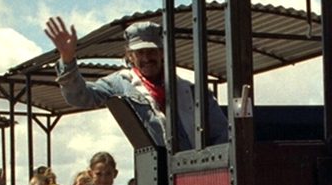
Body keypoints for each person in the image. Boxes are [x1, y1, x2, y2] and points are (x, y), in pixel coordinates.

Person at [44, 17, 229, 152]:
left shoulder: (192, 91)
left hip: (195, 173)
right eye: (140, 53)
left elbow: (222, 134)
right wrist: (67, 60)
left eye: (151, 51)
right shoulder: (120, 84)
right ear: (130, 56)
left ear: (162, 53)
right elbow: (80, 97)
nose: (147, 58)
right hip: (154, 172)